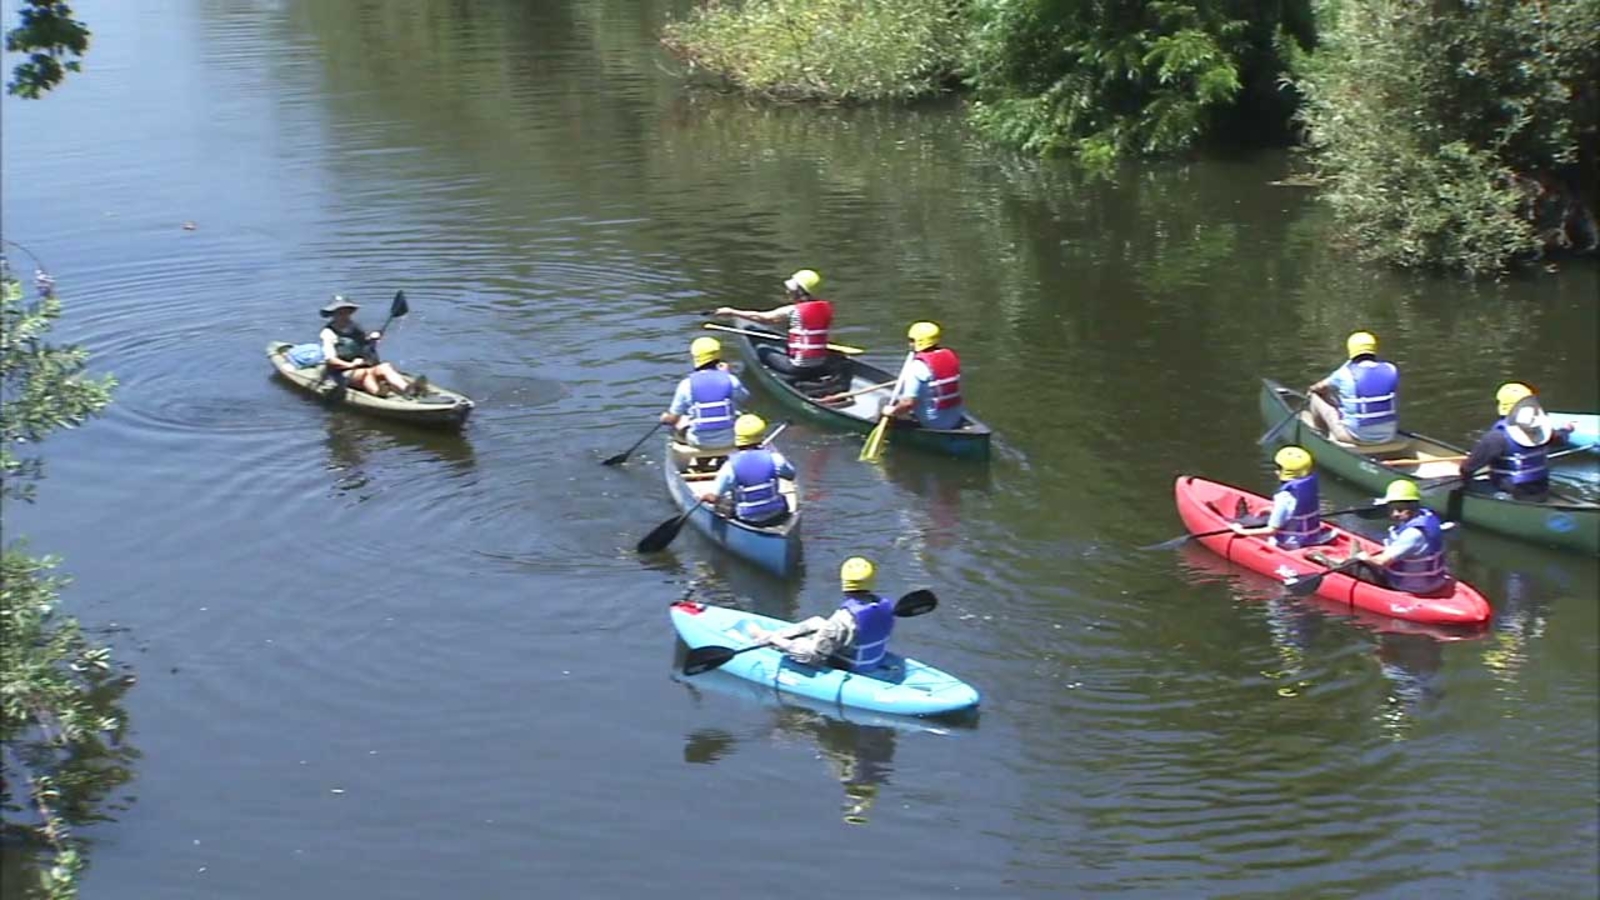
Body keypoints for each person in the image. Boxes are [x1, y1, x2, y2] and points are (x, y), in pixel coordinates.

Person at [748, 557, 895, 670]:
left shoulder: (842, 619)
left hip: (848, 664)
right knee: (817, 622)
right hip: (868, 656)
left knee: (804, 645)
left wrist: (778, 641)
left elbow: (813, 657)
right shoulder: (886, 606)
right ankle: (772, 635)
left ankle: (769, 638)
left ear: (845, 583)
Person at [1318, 480, 1452, 595]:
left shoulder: (1412, 535)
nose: (1394, 514)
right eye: (1391, 509)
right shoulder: (1428, 516)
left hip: (1408, 586)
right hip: (1435, 581)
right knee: (1359, 547)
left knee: (1356, 562)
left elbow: (1382, 562)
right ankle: (1351, 554)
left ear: (1413, 505)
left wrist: (1364, 557)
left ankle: (1330, 563)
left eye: (1400, 509)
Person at [712, 268, 845, 382]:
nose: (787, 292)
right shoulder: (827, 308)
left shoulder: (794, 310)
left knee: (761, 348)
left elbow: (763, 318)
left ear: (799, 292)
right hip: (819, 365)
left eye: (790, 290)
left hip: (797, 367)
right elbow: (829, 338)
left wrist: (732, 312)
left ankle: (779, 377)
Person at [1457, 382, 1574, 499]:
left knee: (1459, 483)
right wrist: (1566, 430)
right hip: (1541, 490)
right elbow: (1561, 440)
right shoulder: (1543, 430)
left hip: (1513, 493)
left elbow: (1467, 469)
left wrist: (1466, 472)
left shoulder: (1497, 436)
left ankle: (1500, 501)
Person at [1229, 446, 1335, 549]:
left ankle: (1240, 522)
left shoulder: (1284, 497)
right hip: (1312, 537)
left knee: (1256, 526)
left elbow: (1271, 530)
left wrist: (1242, 531)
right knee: (1266, 516)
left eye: (1278, 467)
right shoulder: (1310, 485)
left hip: (1289, 543)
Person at [698, 414, 796, 526]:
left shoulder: (730, 466)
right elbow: (791, 475)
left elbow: (714, 497)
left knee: (723, 503)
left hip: (746, 519)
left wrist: (705, 496)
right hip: (776, 516)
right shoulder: (775, 458)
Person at [1306, 330, 1399, 446]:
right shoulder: (1391, 369)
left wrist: (1311, 390)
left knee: (1316, 396)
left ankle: (1320, 437)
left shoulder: (1344, 373)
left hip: (1355, 437)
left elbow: (1319, 388)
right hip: (1389, 435)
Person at [319, 296, 419, 397]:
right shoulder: (328, 333)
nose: (344, 315)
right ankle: (378, 393)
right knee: (365, 373)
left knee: (385, 367)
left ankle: (407, 389)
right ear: (333, 314)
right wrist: (351, 365)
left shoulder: (355, 326)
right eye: (340, 313)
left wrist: (372, 339)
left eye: (347, 312)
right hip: (341, 373)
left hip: (362, 366)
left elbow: (364, 345)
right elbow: (330, 360)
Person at [662, 337, 749, 449]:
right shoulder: (731, 380)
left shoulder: (686, 384)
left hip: (698, 442)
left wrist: (665, 418)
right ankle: (721, 458)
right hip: (731, 439)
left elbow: (673, 419)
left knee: (680, 420)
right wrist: (727, 374)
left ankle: (698, 460)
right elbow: (745, 398)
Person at [883, 321, 964, 430]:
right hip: (955, 418)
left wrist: (892, 411)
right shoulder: (949, 356)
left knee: (884, 402)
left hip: (933, 424)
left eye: (911, 340)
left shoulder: (917, 367)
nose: (909, 343)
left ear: (918, 341)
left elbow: (908, 403)